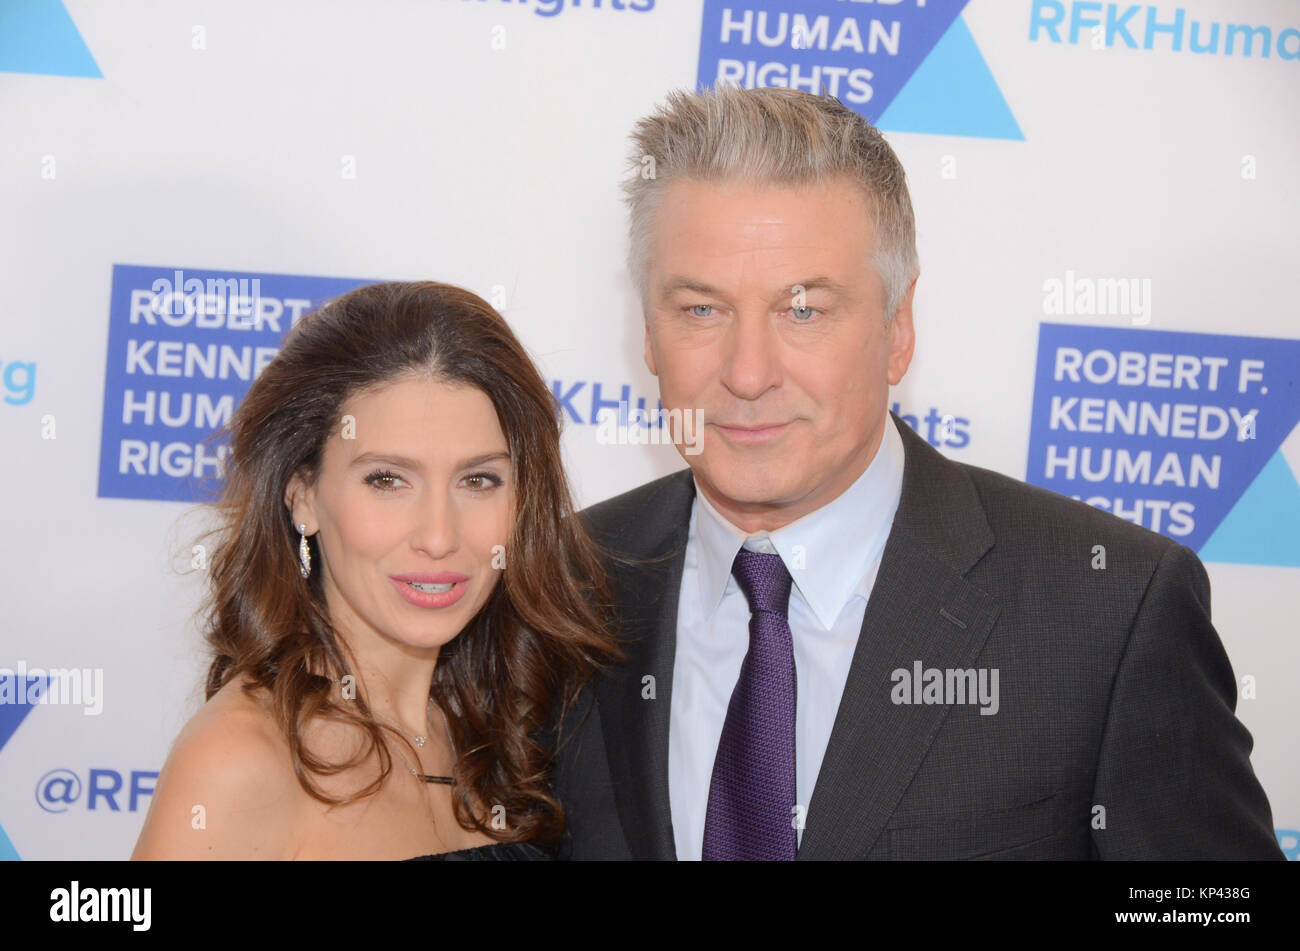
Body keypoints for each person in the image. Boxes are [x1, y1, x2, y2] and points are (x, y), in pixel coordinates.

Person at [552, 85, 1285, 860]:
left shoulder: (1108, 611)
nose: (747, 371)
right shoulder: (559, 586)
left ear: (898, 328)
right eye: (701, 310)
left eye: (803, 310)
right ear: (649, 335)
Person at [132, 281, 620, 860]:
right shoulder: (240, 760)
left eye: (479, 480)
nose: (439, 537)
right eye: (387, 480)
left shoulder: (511, 743)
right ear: (303, 497)